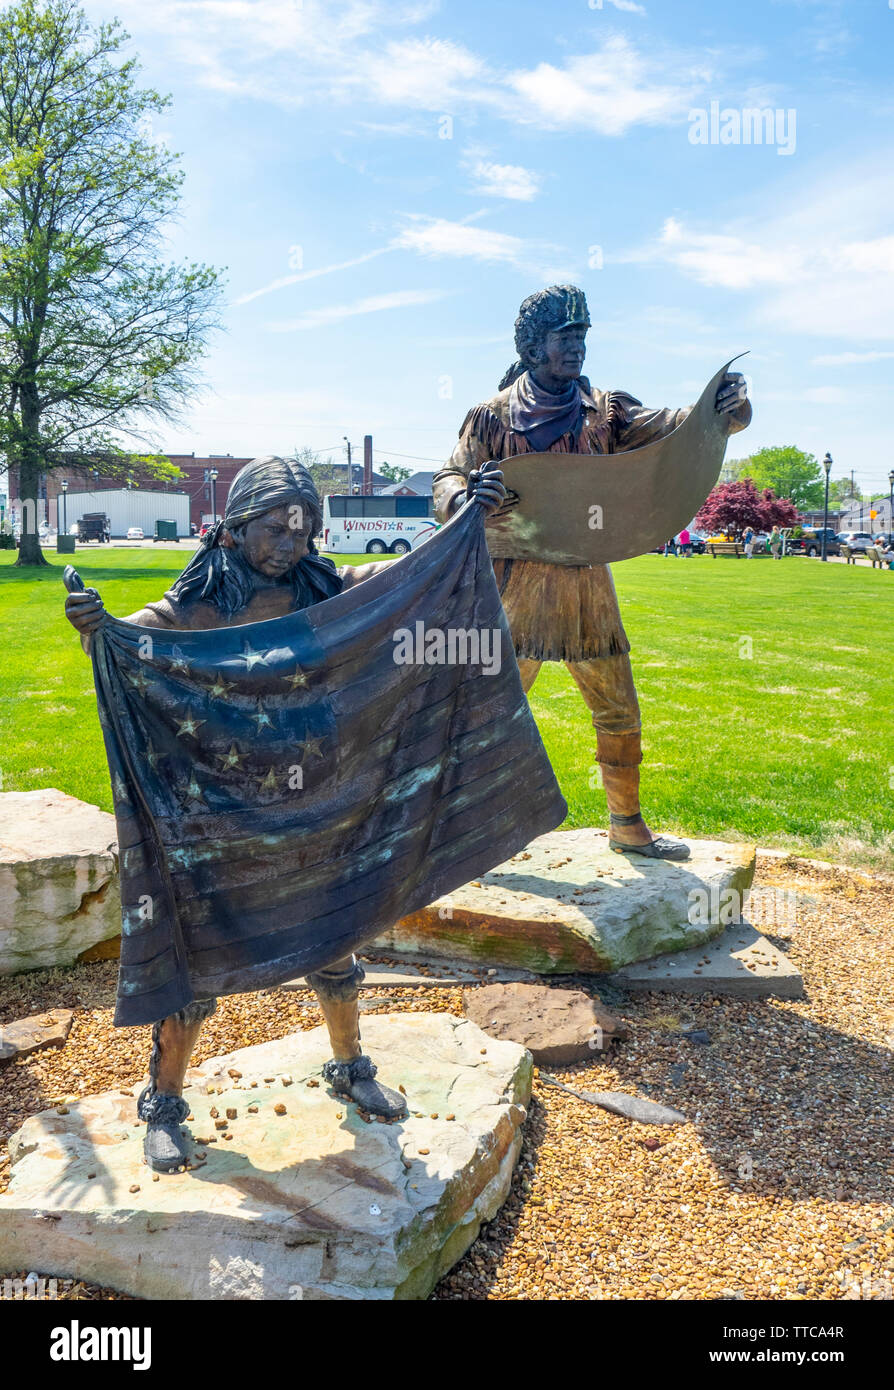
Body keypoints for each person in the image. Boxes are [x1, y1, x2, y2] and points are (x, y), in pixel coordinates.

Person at [65, 455, 509, 1172]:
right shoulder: (201, 601)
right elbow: (142, 633)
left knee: (336, 932)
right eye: (276, 529)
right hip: (223, 808)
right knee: (200, 954)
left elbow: (397, 582)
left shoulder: (319, 586)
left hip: (316, 794)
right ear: (237, 528)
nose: (290, 545)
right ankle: (165, 1100)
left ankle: (349, 1064)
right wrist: (99, 627)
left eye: (303, 531)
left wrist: (461, 524)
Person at [434, 284, 752, 862]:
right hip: (514, 585)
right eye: (564, 337)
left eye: (582, 335)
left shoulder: (608, 410)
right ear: (533, 347)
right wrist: (463, 498)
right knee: (488, 711)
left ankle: (627, 824)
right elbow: (447, 478)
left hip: (586, 587)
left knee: (618, 707)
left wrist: (722, 410)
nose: (576, 347)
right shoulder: (489, 416)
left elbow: (675, 426)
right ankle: (462, 834)